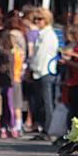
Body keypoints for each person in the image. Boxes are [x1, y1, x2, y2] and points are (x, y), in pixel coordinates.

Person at [26, 8, 59, 138]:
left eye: (40, 19)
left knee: (47, 102)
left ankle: (48, 128)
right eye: (35, 19)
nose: (37, 21)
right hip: (39, 71)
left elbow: (41, 56)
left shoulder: (48, 35)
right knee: (39, 102)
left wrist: (33, 68)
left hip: (44, 71)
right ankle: (42, 127)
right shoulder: (41, 34)